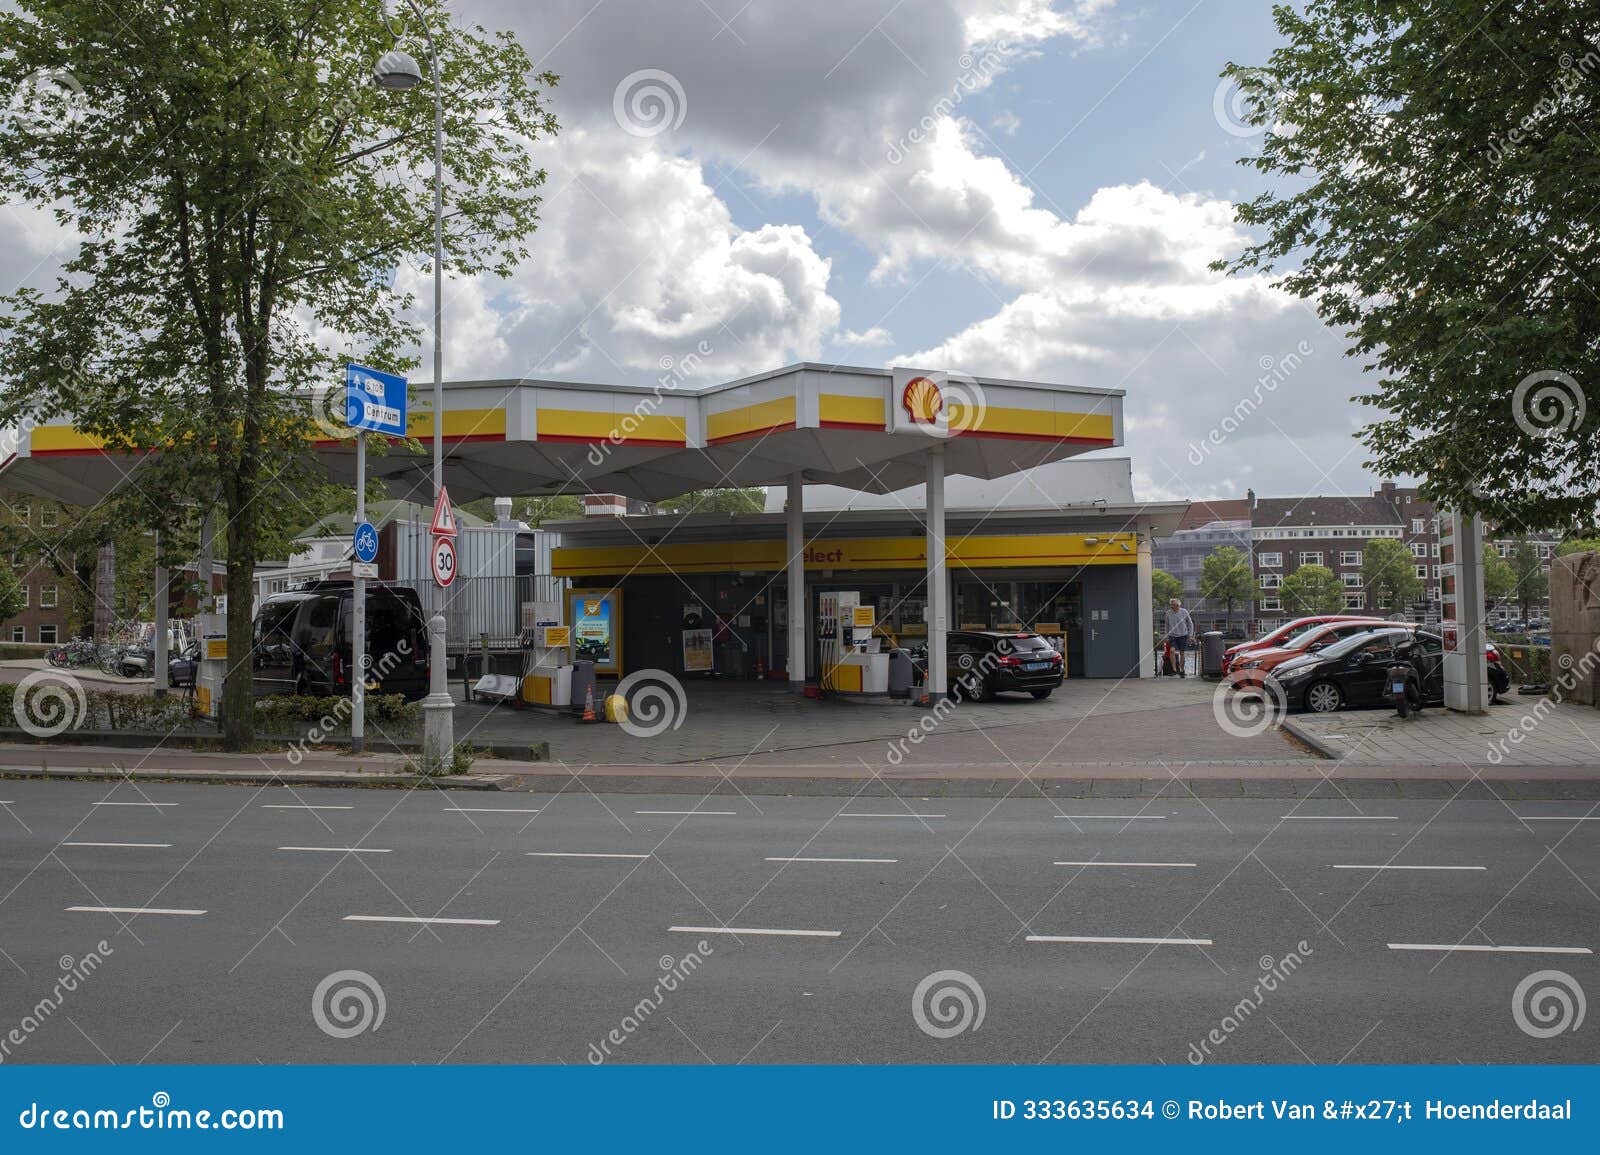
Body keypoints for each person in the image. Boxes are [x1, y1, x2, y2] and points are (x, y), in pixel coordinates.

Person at [1165, 597, 1195, 677]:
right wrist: (1167, 635)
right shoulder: (1168, 613)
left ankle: (1182, 670)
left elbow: (1190, 624)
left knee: (1182, 653)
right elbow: (1167, 625)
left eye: (1174, 605)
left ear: (1178, 605)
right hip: (1172, 635)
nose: (1172, 606)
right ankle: (1174, 670)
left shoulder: (1184, 612)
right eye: (1171, 605)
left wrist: (1190, 635)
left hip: (1183, 635)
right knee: (1172, 651)